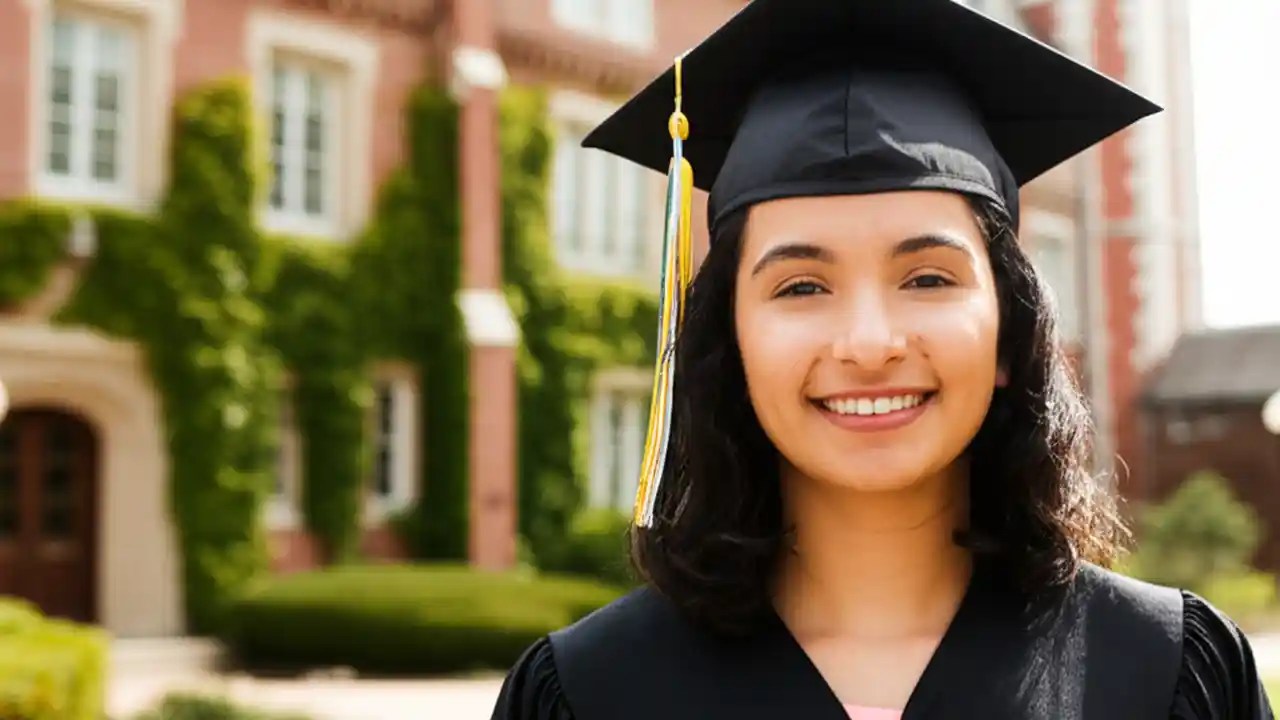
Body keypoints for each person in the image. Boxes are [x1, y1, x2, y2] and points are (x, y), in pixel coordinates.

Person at [491, 0, 1274, 717]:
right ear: (729, 345)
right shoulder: (595, 695)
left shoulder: (1160, 674)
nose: (869, 343)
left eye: (928, 277)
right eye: (801, 286)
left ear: (1011, 332)